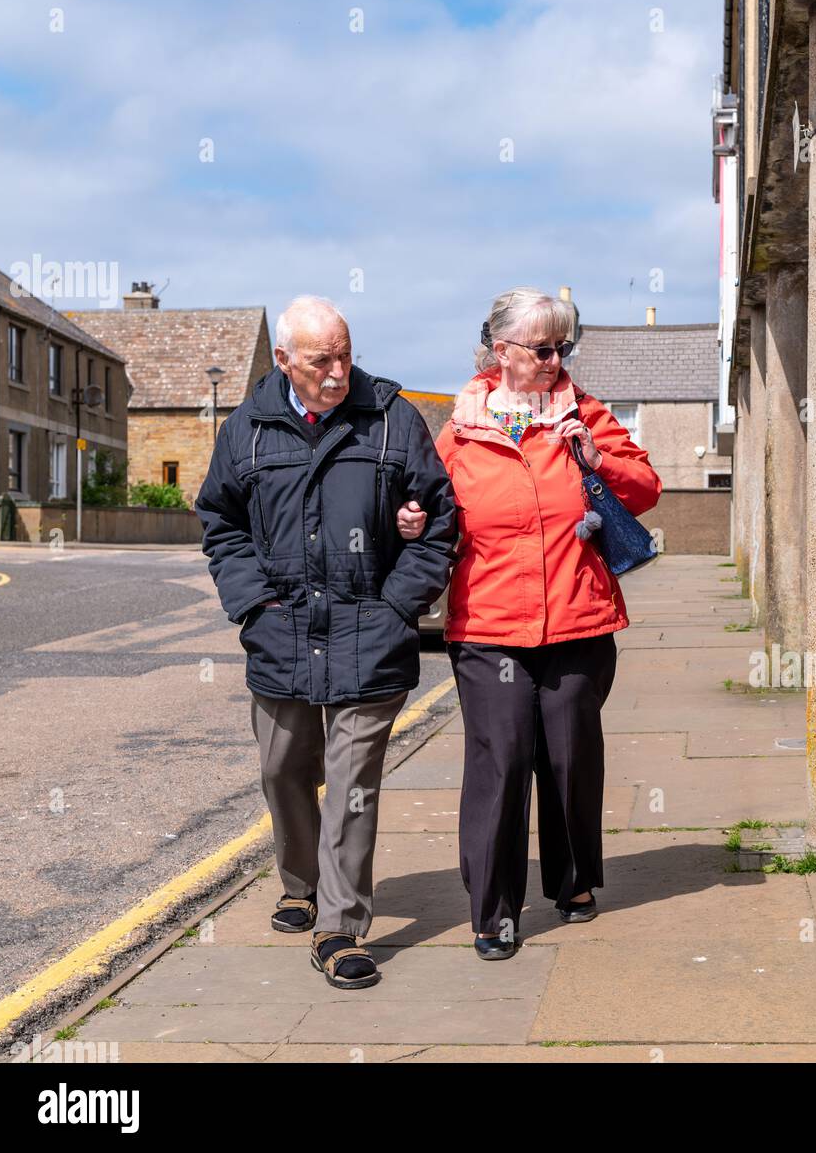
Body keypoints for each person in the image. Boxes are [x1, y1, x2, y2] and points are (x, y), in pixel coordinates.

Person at [196, 295, 455, 988]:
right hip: (281, 634)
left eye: (345, 353)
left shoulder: (394, 419)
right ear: (284, 361)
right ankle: (299, 878)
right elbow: (219, 521)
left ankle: (339, 928)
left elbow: (439, 518)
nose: (339, 371)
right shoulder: (247, 427)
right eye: (321, 360)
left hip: (372, 638)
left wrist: (400, 603)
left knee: (350, 786)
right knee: (283, 771)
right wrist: (252, 601)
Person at [434, 287, 662, 958]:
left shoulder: (583, 411)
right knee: (500, 761)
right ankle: (493, 912)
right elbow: (426, 506)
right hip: (488, 625)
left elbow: (645, 487)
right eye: (541, 347)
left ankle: (572, 881)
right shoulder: (463, 426)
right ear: (499, 349)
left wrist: (597, 458)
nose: (554, 357)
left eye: (562, 345)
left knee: (570, 757)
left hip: (578, 618)